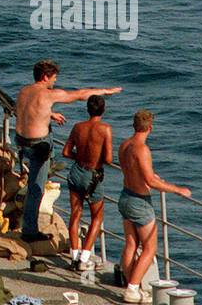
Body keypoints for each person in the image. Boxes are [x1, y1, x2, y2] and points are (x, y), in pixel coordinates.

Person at [15, 61, 122, 242]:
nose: (55, 82)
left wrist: (49, 114)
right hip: (38, 146)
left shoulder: (24, 91)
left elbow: (28, 110)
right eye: (54, 78)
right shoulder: (48, 94)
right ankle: (30, 231)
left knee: (36, 173)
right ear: (45, 77)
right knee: (36, 188)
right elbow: (79, 95)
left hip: (21, 142)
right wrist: (104, 91)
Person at [118, 110, 191, 304]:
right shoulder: (142, 149)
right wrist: (177, 189)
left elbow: (134, 171)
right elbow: (149, 180)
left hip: (125, 196)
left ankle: (131, 286)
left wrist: (151, 177)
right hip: (140, 203)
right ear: (150, 127)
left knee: (131, 244)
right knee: (150, 248)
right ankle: (133, 289)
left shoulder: (124, 145)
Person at [62, 95, 113, 269]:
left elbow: (66, 152)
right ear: (103, 110)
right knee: (96, 217)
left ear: (88, 109)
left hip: (76, 171)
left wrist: (81, 157)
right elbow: (108, 158)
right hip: (93, 175)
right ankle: (84, 259)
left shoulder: (78, 127)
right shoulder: (105, 129)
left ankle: (74, 255)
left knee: (75, 214)